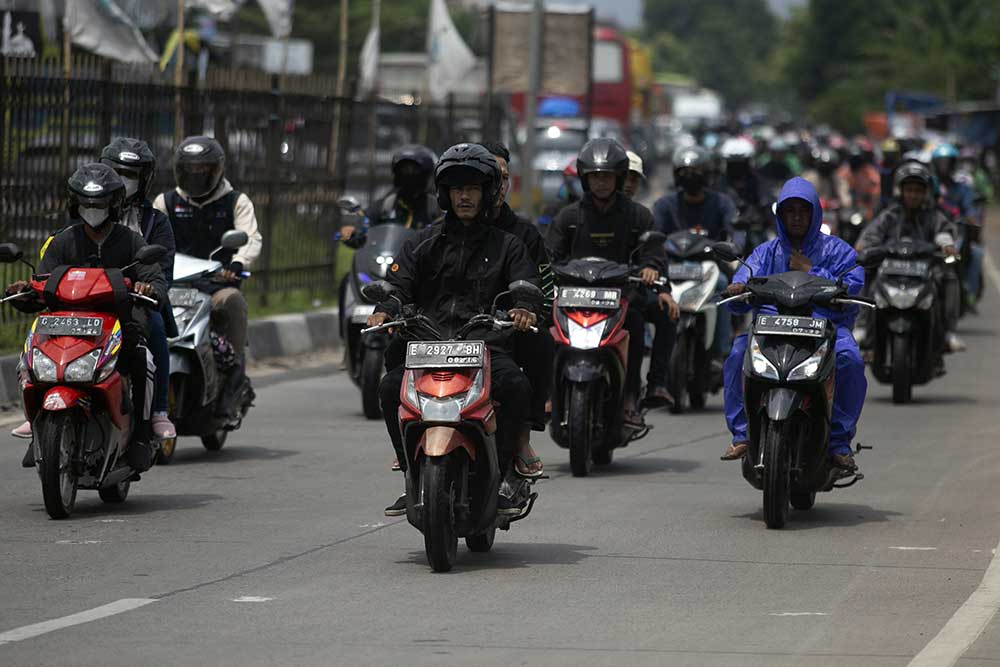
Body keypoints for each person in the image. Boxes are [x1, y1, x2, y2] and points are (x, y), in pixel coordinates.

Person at [367, 143, 541, 517]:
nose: (464, 195)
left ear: (488, 192)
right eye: (457, 188)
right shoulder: (423, 242)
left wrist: (524, 308)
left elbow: (525, 285)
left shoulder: (508, 244)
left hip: (485, 346)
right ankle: (412, 475)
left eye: (473, 187)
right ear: (445, 194)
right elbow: (399, 286)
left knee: (516, 387)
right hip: (428, 345)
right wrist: (386, 309)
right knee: (387, 388)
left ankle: (508, 473)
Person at [9, 164, 167, 472]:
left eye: (99, 204)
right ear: (75, 204)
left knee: (141, 358)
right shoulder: (61, 242)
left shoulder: (132, 242)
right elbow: (42, 281)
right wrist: (26, 290)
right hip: (62, 326)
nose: (93, 210)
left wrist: (149, 287)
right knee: (27, 360)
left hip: (118, 324)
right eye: (87, 204)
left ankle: (142, 434)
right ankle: (37, 427)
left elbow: (155, 280)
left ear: (114, 205)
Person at [720, 177, 866, 473]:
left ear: (814, 214)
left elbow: (854, 285)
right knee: (737, 354)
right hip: (771, 330)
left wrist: (813, 271)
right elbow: (742, 282)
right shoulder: (766, 252)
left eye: (803, 210)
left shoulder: (837, 251)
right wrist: (737, 288)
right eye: (790, 211)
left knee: (850, 359)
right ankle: (742, 434)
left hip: (824, 330)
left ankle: (838, 442)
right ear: (780, 215)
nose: (797, 216)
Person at [546, 138, 678, 423]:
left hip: (624, 298)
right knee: (542, 324)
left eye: (607, 176)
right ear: (585, 178)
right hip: (572, 299)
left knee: (645, 320)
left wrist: (653, 273)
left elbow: (654, 253)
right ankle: (546, 393)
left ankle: (640, 391)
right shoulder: (568, 217)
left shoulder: (638, 216)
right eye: (595, 176)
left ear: (618, 177)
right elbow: (548, 257)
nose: (601, 183)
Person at [153, 136, 262, 424]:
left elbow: (250, 238)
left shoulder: (235, 201)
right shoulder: (165, 202)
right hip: (172, 285)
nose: (197, 175)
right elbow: (149, 238)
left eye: (204, 169)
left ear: (218, 170)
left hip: (216, 285)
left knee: (232, 302)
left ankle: (234, 379)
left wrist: (237, 263)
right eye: (191, 169)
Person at [481, 140, 554, 478]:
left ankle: (523, 437)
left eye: (504, 177)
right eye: (490, 176)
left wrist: (527, 311)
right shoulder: (438, 235)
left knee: (541, 345)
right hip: (451, 332)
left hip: (507, 332)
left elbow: (542, 287)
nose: (499, 185)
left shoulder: (523, 234)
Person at [101, 137, 178, 440]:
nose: (122, 180)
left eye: (130, 174)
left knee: (155, 327)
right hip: (91, 298)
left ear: (143, 179)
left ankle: (158, 410)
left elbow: (164, 266)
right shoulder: (86, 215)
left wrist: (149, 286)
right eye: (116, 171)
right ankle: (40, 405)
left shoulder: (155, 221)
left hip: (138, 299)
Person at [651, 145, 736, 402]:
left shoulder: (721, 203)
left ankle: (720, 352)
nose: (691, 176)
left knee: (721, 285)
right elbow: (655, 234)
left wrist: (735, 243)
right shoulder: (665, 204)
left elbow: (735, 228)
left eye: (697, 171)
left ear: (708, 174)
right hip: (673, 266)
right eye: (685, 171)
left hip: (710, 266)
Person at [857, 162, 963, 356]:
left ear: (925, 193)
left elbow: (944, 233)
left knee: (949, 276)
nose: (913, 195)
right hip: (889, 269)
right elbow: (870, 237)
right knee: (866, 274)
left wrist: (946, 246)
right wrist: (864, 248)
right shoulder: (890, 215)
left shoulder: (933, 217)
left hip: (926, 270)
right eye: (909, 190)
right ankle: (863, 327)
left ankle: (948, 332)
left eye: (918, 190)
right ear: (901, 191)